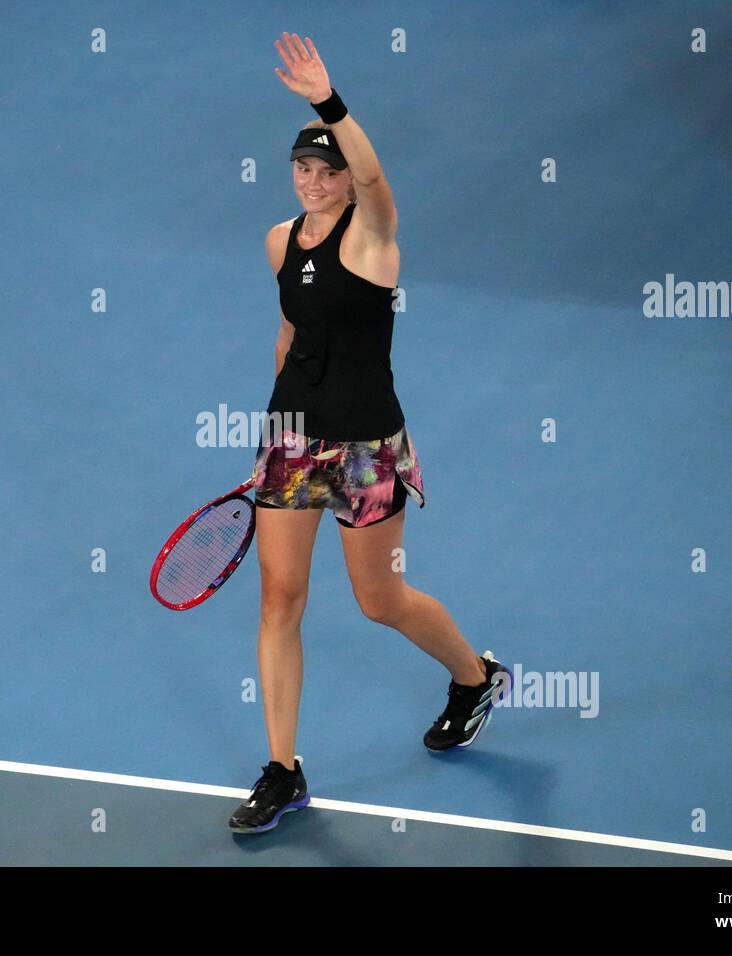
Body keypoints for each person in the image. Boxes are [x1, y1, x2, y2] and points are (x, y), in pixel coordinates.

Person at [228, 34, 512, 835]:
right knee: (279, 599)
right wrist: (277, 434)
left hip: (365, 450)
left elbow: (379, 175)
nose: (315, 183)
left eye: (329, 172)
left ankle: (474, 676)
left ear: (350, 180)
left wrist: (328, 102)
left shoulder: (373, 235)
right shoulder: (280, 242)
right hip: (293, 441)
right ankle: (283, 770)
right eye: (303, 170)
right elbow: (289, 336)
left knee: (378, 601)